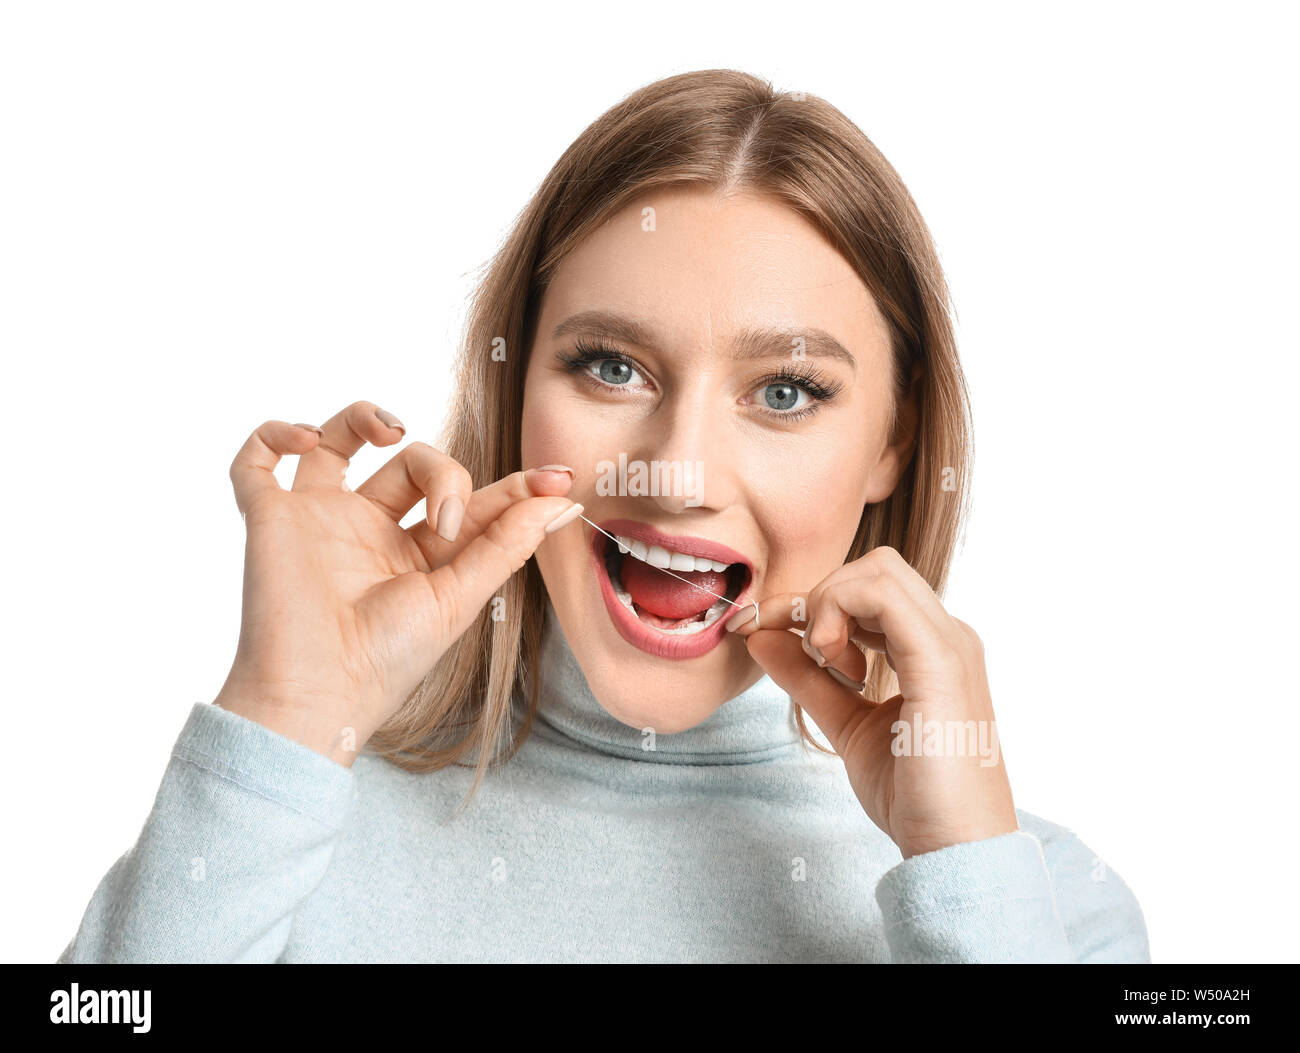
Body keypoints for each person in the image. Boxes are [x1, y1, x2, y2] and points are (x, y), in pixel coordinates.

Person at [58, 68, 1149, 963]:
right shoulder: (276, 837)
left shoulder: (1036, 905)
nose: (674, 475)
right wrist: (285, 717)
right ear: (516, 385)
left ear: (893, 446)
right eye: (611, 366)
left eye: (785, 392)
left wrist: (966, 879)